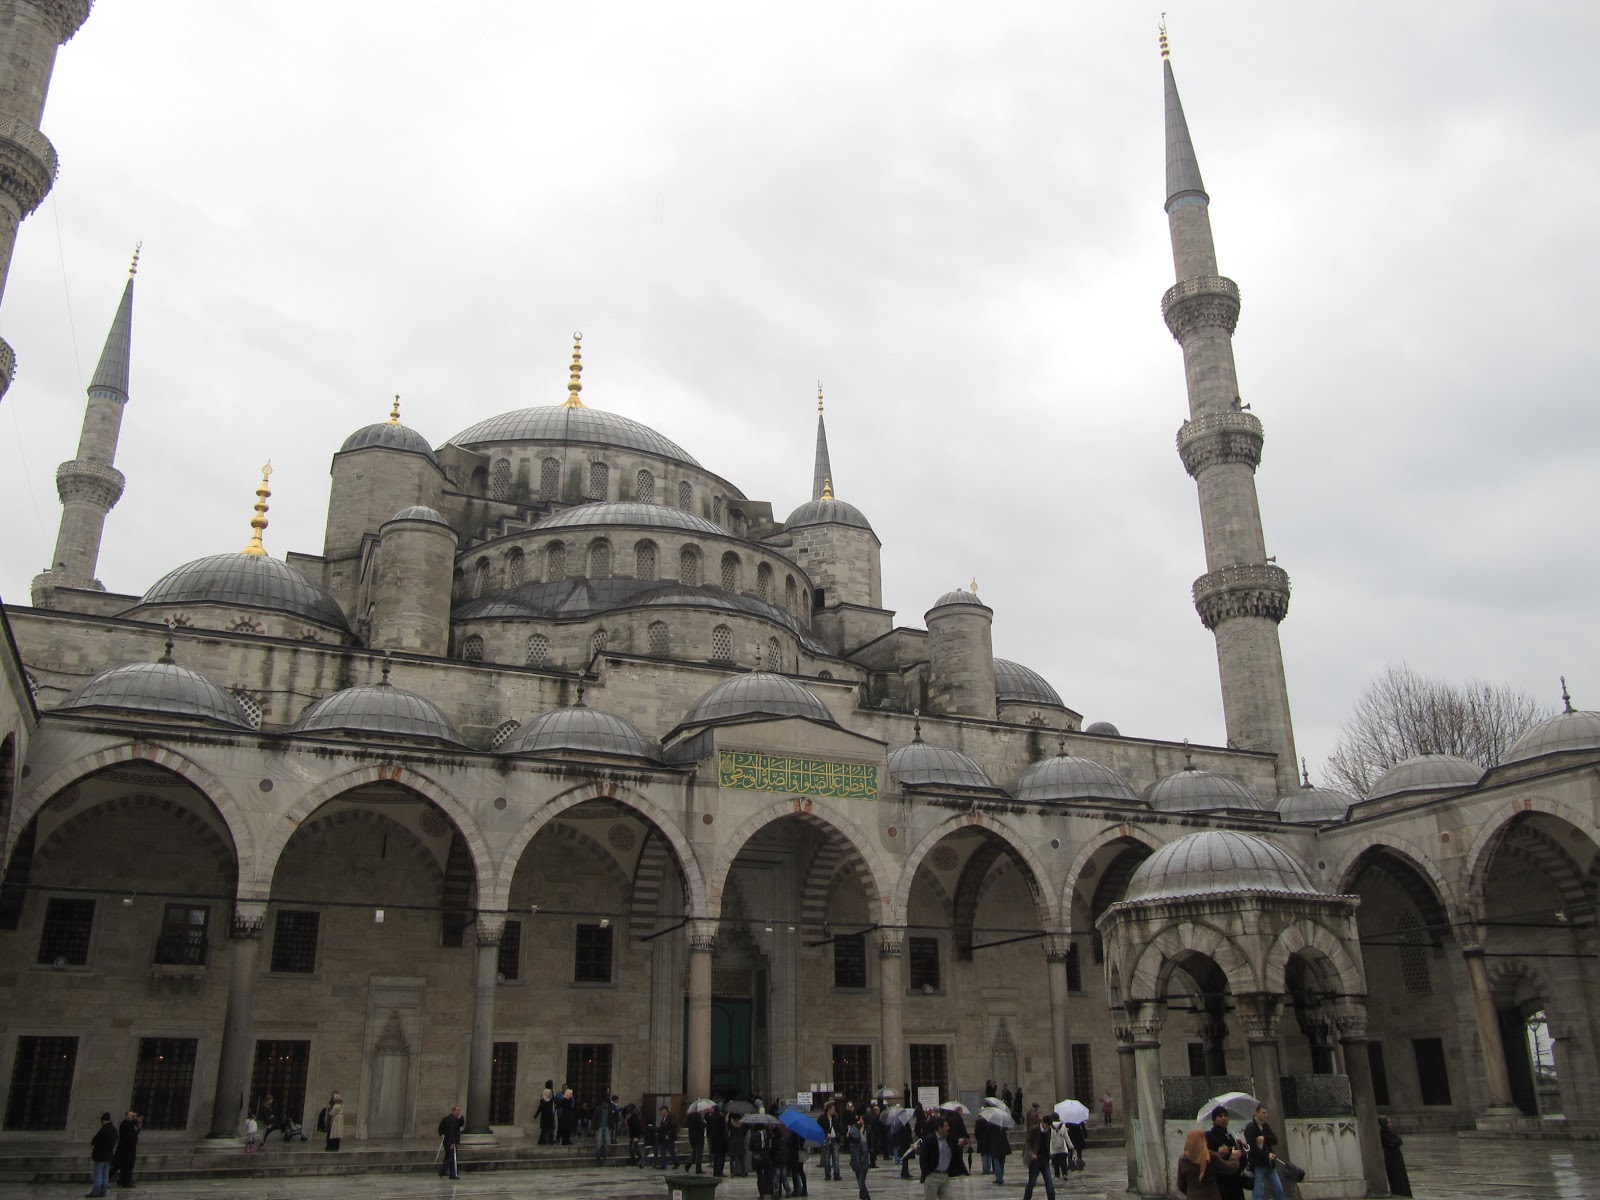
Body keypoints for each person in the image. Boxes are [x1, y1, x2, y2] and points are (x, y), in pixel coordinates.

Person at [1177, 1127, 1239, 1200]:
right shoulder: (1211, 1156)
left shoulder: (1183, 1160)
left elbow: (1180, 1185)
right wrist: (1234, 1156)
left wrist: (1192, 1192)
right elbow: (1231, 1168)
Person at [916, 1115, 966, 1200]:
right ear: (939, 1128)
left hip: (945, 1177)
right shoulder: (929, 1140)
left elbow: (957, 1143)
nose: (948, 1128)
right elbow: (923, 1158)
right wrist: (927, 1174)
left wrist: (963, 1141)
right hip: (932, 1177)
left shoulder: (949, 1139)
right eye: (946, 1126)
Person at [1242, 1104, 1283, 1200]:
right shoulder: (1250, 1127)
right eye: (1263, 1113)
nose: (1266, 1115)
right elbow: (1252, 1148)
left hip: (1269, 1165)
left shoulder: (1265, 1126)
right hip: (1258, 1165)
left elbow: (1274, 1140)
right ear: (1256, 1113)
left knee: (1279, 1189)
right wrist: (1266, 1155)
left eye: (1266, 1113)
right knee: (1258, 1193)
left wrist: (1265, 1137)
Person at [1204, 1107, 1247, 1200]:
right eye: (1220, 1116)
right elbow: (1207, 1159)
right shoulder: (1209, 1136)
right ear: (1214, 1120)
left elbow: (1240, 1164)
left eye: (1225, 1116)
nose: (1223, 1118)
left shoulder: (1231, 1137)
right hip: (1220, 1182)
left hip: (1235, 1182)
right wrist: (1218, 1153)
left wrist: (1242, 1151)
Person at [1022, 1112, 1055, 1200]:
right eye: (1047, 1126)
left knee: (1049, 1181)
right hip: (1035, 1160)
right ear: (1043, 1123)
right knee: (1032, 1182)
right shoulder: (1034, 1129)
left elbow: (1048, 1143)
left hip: (1044, 1159)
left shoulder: (1049, 1130)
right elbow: (1028, 1143)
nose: (1047, 1128)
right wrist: (1031, 1153)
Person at [1378, 1116, 1412, 1197]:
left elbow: (1399, 1141)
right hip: (1390, 1157)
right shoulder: (1382, 1133)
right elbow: (1391, 1142)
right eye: (1388, 1123)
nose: (1390, 1124)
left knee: (1402, 1175)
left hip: (1397, 1156)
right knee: (1396, 1177)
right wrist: (1394, 1143)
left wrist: (1394, 1143)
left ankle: (1405, 1194)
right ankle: (1398, 1193)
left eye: (1390, 1122)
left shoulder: (1391, 1132)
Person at [89, 1111, 117, 1197]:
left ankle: (96, 1191)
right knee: (105, 1174)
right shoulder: (113, 1129)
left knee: (98, 1174)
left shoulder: (104, 1129)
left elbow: (95, 1141)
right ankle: (103, 1191)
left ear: (103, 1120)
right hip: (109, 1154)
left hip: (100, 1154)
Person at [847, 1112, 872, 1200]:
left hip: (863, 1158)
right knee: (859, 1181)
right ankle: (862, 1195)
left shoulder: (867, 1130)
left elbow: (867, 1145)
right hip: (857, 1158)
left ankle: (866, 1196)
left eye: (861, 1118)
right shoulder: (856, 1129)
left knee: (861, 1181)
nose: (859, 1120)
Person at [113, 1110, 140, 1187]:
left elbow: (136, 1131)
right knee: (124, 1165)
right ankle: (125, 1182)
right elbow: (129, 1131)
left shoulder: (132, 1124)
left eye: (133, 1115)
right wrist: (134, 1121)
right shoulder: (125, 1123)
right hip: (125, 1149)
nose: (132, 1116)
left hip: (131, 1148)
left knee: (128, 1166)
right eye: (130, 1115)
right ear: (126, 1116)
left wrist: (138, 1123)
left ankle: (124, 1180)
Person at [438, 1104, 465, 1180]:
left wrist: (461, 1118)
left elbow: (461, 1124)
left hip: (453, 1141)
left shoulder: (457, 1120)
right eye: (457, 1110)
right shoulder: (447, 1119)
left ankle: (448, 1172)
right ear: (453, 1111)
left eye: (459, 1110)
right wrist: (442, 1135)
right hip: (449, 1141)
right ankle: (444, 1170)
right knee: (452, 1157)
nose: (458, 1112)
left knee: (450, 1156)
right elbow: (443, 1129)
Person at [987, 1110, 1011, 1186]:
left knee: (996, 1160)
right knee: (1002, 1161)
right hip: (1003, 1143)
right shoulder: (1003, 1122)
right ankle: (1000, 1176)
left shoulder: (991, 1122)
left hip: (995, 1144)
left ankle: (999, 1178)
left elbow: (987, 1133)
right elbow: (1006, 1129)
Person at [595, 1093, 618, 1163]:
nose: (606, 1105)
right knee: (599, 1142)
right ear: (603, 1103)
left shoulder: (609, 1110)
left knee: (606, 1141)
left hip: (607, 1127)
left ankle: (604, 1154)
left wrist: (612, 1126)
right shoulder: (598, 1109)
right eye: (606, 1104)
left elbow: (611, 1119)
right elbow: (594, 1118)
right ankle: (598, 1154)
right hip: (599, 1127)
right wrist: (593, 1128)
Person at [707, 1104, 728, 1177]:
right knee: (721, 1157)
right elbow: (723, 1130)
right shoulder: (720, 1118)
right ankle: (719, 1172)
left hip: (713, 1140)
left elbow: (708, 1130)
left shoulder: (711, 1118)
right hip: (721, 1141)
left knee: (716, 1157)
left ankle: (715, 1172)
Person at [537, 1080, 556, 1144]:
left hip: (545, 1114)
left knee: (545, 1129)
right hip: (548, 1114)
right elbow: (552, 1100)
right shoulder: (549, 1092)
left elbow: (542, 1104)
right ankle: (550, 1140)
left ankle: (543, 1141)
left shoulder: (544, 1093)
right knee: (549, 1128)